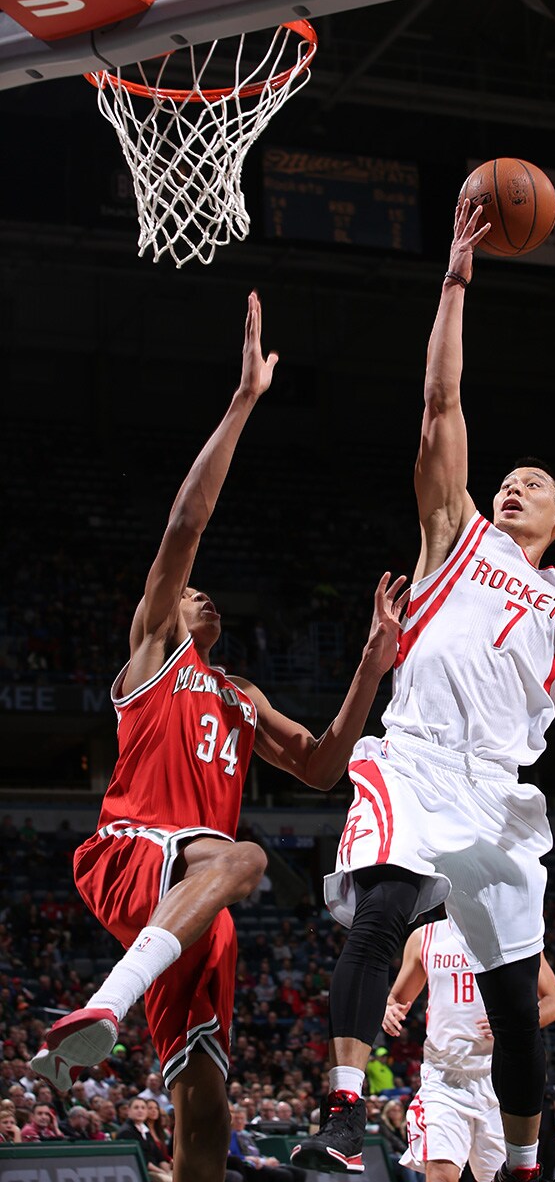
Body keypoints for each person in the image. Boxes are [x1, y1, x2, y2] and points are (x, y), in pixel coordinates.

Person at [291, 200, 555, 1180]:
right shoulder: (455, 534)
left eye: (532, 482)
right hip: (418, 757)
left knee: (516, 1008)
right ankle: (344, 1116)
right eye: (505, 478)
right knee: (383, 905)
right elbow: (439, 408)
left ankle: (521, 1164)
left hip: (500, 799)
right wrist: (454, 283)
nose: (511, 486)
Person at [28, 291, 408, 1182]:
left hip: (194, 907)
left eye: (203, 595)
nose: (195, 592)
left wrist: (369, 667)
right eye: (188, 589)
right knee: (244, 859)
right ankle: (104, 1008)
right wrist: (242, 401)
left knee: (205, 1114)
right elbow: (183, 526)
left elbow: (319, 766)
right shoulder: (154, 652)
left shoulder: (239, 694)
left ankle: (124, 1027)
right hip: (138, 854)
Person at [382, 914, 555, 1182]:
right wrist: (388, 1010)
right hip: (444, 1079)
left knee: (498, 1176)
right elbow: (397, 999)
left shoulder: (511, 935)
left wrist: (515, 1023)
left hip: (497, 1081)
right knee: (441, 1171)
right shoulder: (425, 937)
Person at [115, 1096, 173, 1181]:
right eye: (136, 1107)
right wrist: (163, 1173)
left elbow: (159, 1156)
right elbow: (142, 1160)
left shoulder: (145, 1130)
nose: (140, 1110)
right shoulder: (126, 1132)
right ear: (129, 1111)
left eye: (143, 1108)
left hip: (156, 1170)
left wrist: (168, 1171)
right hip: (140, 1172)